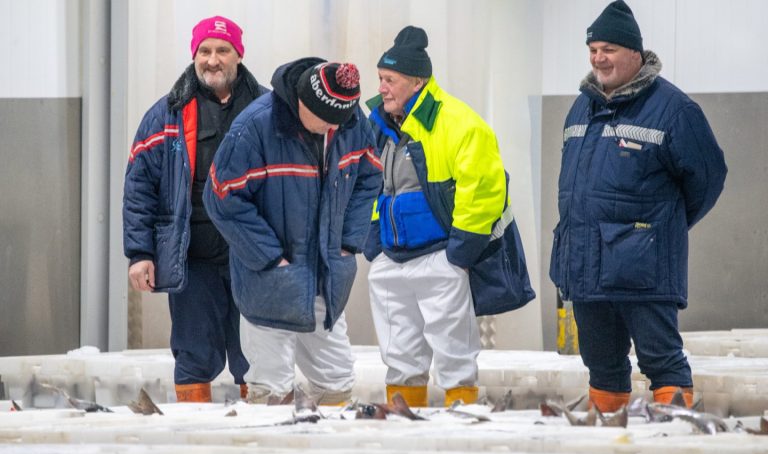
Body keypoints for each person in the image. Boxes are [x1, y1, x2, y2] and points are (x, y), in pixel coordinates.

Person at [549, 0, 727, 412]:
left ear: (635, 53)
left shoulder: (674, 109)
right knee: (602, 366)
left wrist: (663, 229)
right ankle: (611, 447)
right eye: (593, 49)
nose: (598, 58)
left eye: (608, 49)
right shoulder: (582, 106)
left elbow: (708, 177)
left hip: (642, 271)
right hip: (585, 266)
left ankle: (678, 446)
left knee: (662, 361)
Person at [364, 26, 535, 408]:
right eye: (380, 79)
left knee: (454, 351)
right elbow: (377, 187)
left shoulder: (461, 123)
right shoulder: (381, 126)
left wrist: (459, 252)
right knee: (399, 352)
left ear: (416, 81)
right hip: (393, 259)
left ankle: (463, 423)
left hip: (440, 257)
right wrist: (374, 239)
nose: (383, 88)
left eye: (390, 80)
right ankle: (406, 429)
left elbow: (485, 190)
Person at [203, 58, 382, 405]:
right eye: (325, 120)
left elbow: (370, 175)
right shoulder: (255, 127)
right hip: (269, 282)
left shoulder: (350, 121)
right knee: (271, 386)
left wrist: (348, 241)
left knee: (337, 380)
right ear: (303, 101)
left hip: (326, 278)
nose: (333, 128)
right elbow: (222, 197)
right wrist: (271, 257)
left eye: (339, 121)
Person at [123, 16, 268, 403]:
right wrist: (140, 253)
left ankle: (261, 442)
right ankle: (194, 444)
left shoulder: (269, 110)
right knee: (192, 354)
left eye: (222, 50)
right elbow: (139, 187)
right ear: (194, 55)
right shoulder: (166, 115)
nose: (212, 59)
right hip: (193, 259)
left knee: (258, 358)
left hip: (252, 257)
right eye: (205, 51)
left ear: (239, 55)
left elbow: (292, 184)